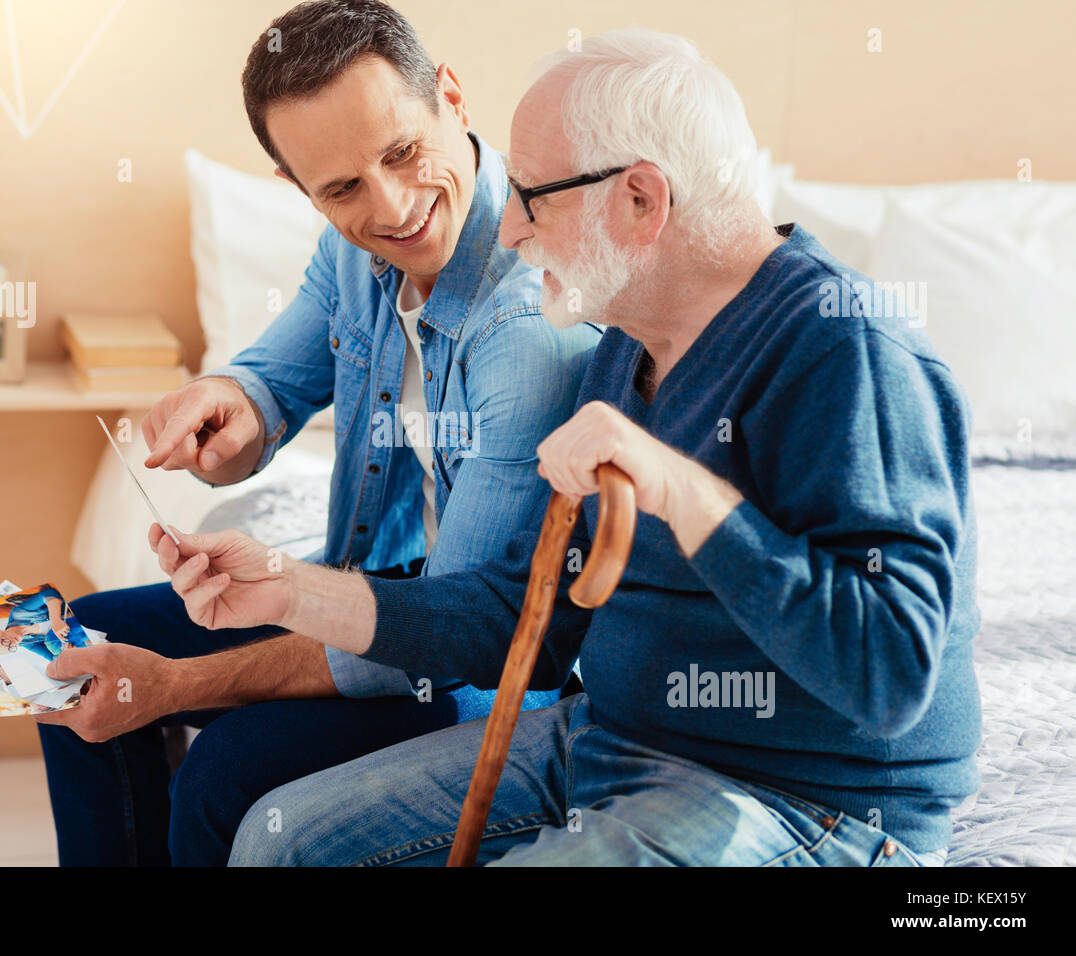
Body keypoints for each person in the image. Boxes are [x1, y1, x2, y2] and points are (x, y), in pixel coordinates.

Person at [155, 28, 980, 867]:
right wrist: (287, 590)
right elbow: (519, 623)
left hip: (803, 801)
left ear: (640, 200)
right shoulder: (627, 352)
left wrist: (677, 487)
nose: (507, 229)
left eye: (531, 196)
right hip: (610, 738)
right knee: (277, 841)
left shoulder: (845, 353)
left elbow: (893, 676)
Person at [34, 0, 600, 866]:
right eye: (341, 188)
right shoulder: (354, 244)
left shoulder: (525, 331)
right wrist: (227, 411)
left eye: (404, 152)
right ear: (300, 190)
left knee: (225, 773)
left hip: (480, 661)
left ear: (450, 94)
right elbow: (275, 379)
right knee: (73, 648)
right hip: (372, 588)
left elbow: (456, 640)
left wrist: (178, 687)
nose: (395, 206)